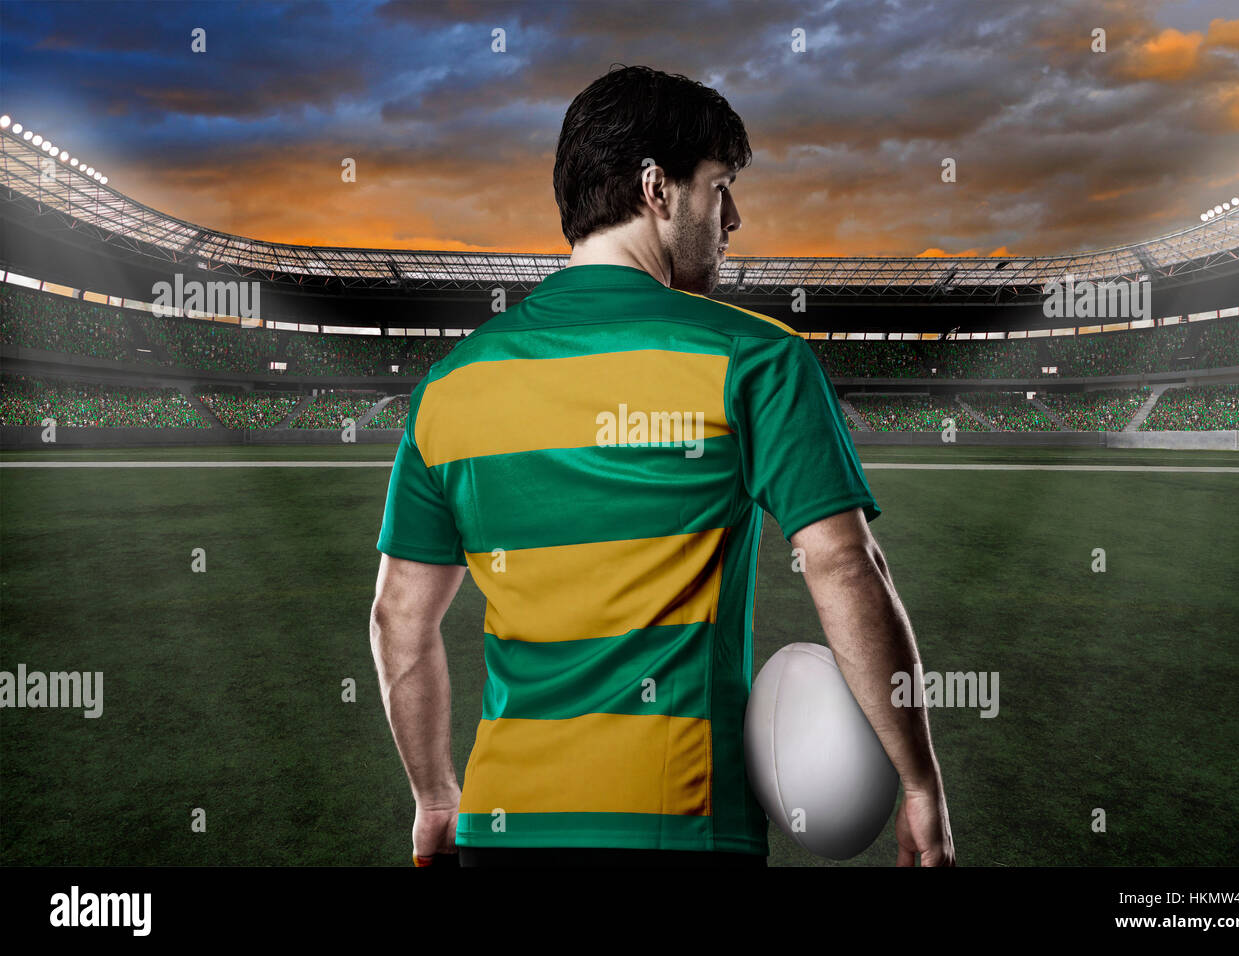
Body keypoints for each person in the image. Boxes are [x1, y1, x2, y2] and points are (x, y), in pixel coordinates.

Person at [371, 64, 954, 869]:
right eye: (720, 188)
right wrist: (919, 782)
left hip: (503, 831)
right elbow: (842, 562)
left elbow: (400, 617)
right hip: (677, 830)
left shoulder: (449, 385)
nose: (734, 217)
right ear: (657, 188)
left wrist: (436, 796)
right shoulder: (755, 357)